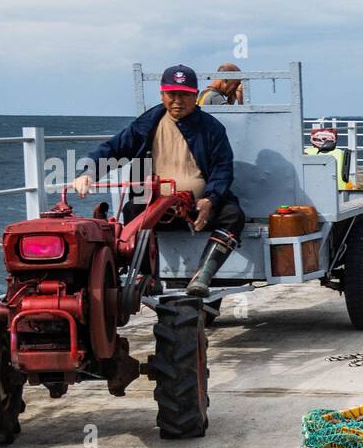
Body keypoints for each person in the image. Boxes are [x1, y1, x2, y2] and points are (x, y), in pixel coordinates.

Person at [74, 64, 244, 297]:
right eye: (171, 94)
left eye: (184, 95)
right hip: (157, 205)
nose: (178, 101)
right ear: (162, 94)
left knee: (233, 215)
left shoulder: (212, 129)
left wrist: (210, 200)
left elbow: (223, 169)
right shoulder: (148, 123)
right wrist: (88, 173)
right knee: (133, 210)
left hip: (197, 207)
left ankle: (202, 276)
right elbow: (114, 149)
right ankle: (148, 276)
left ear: (195, 96)